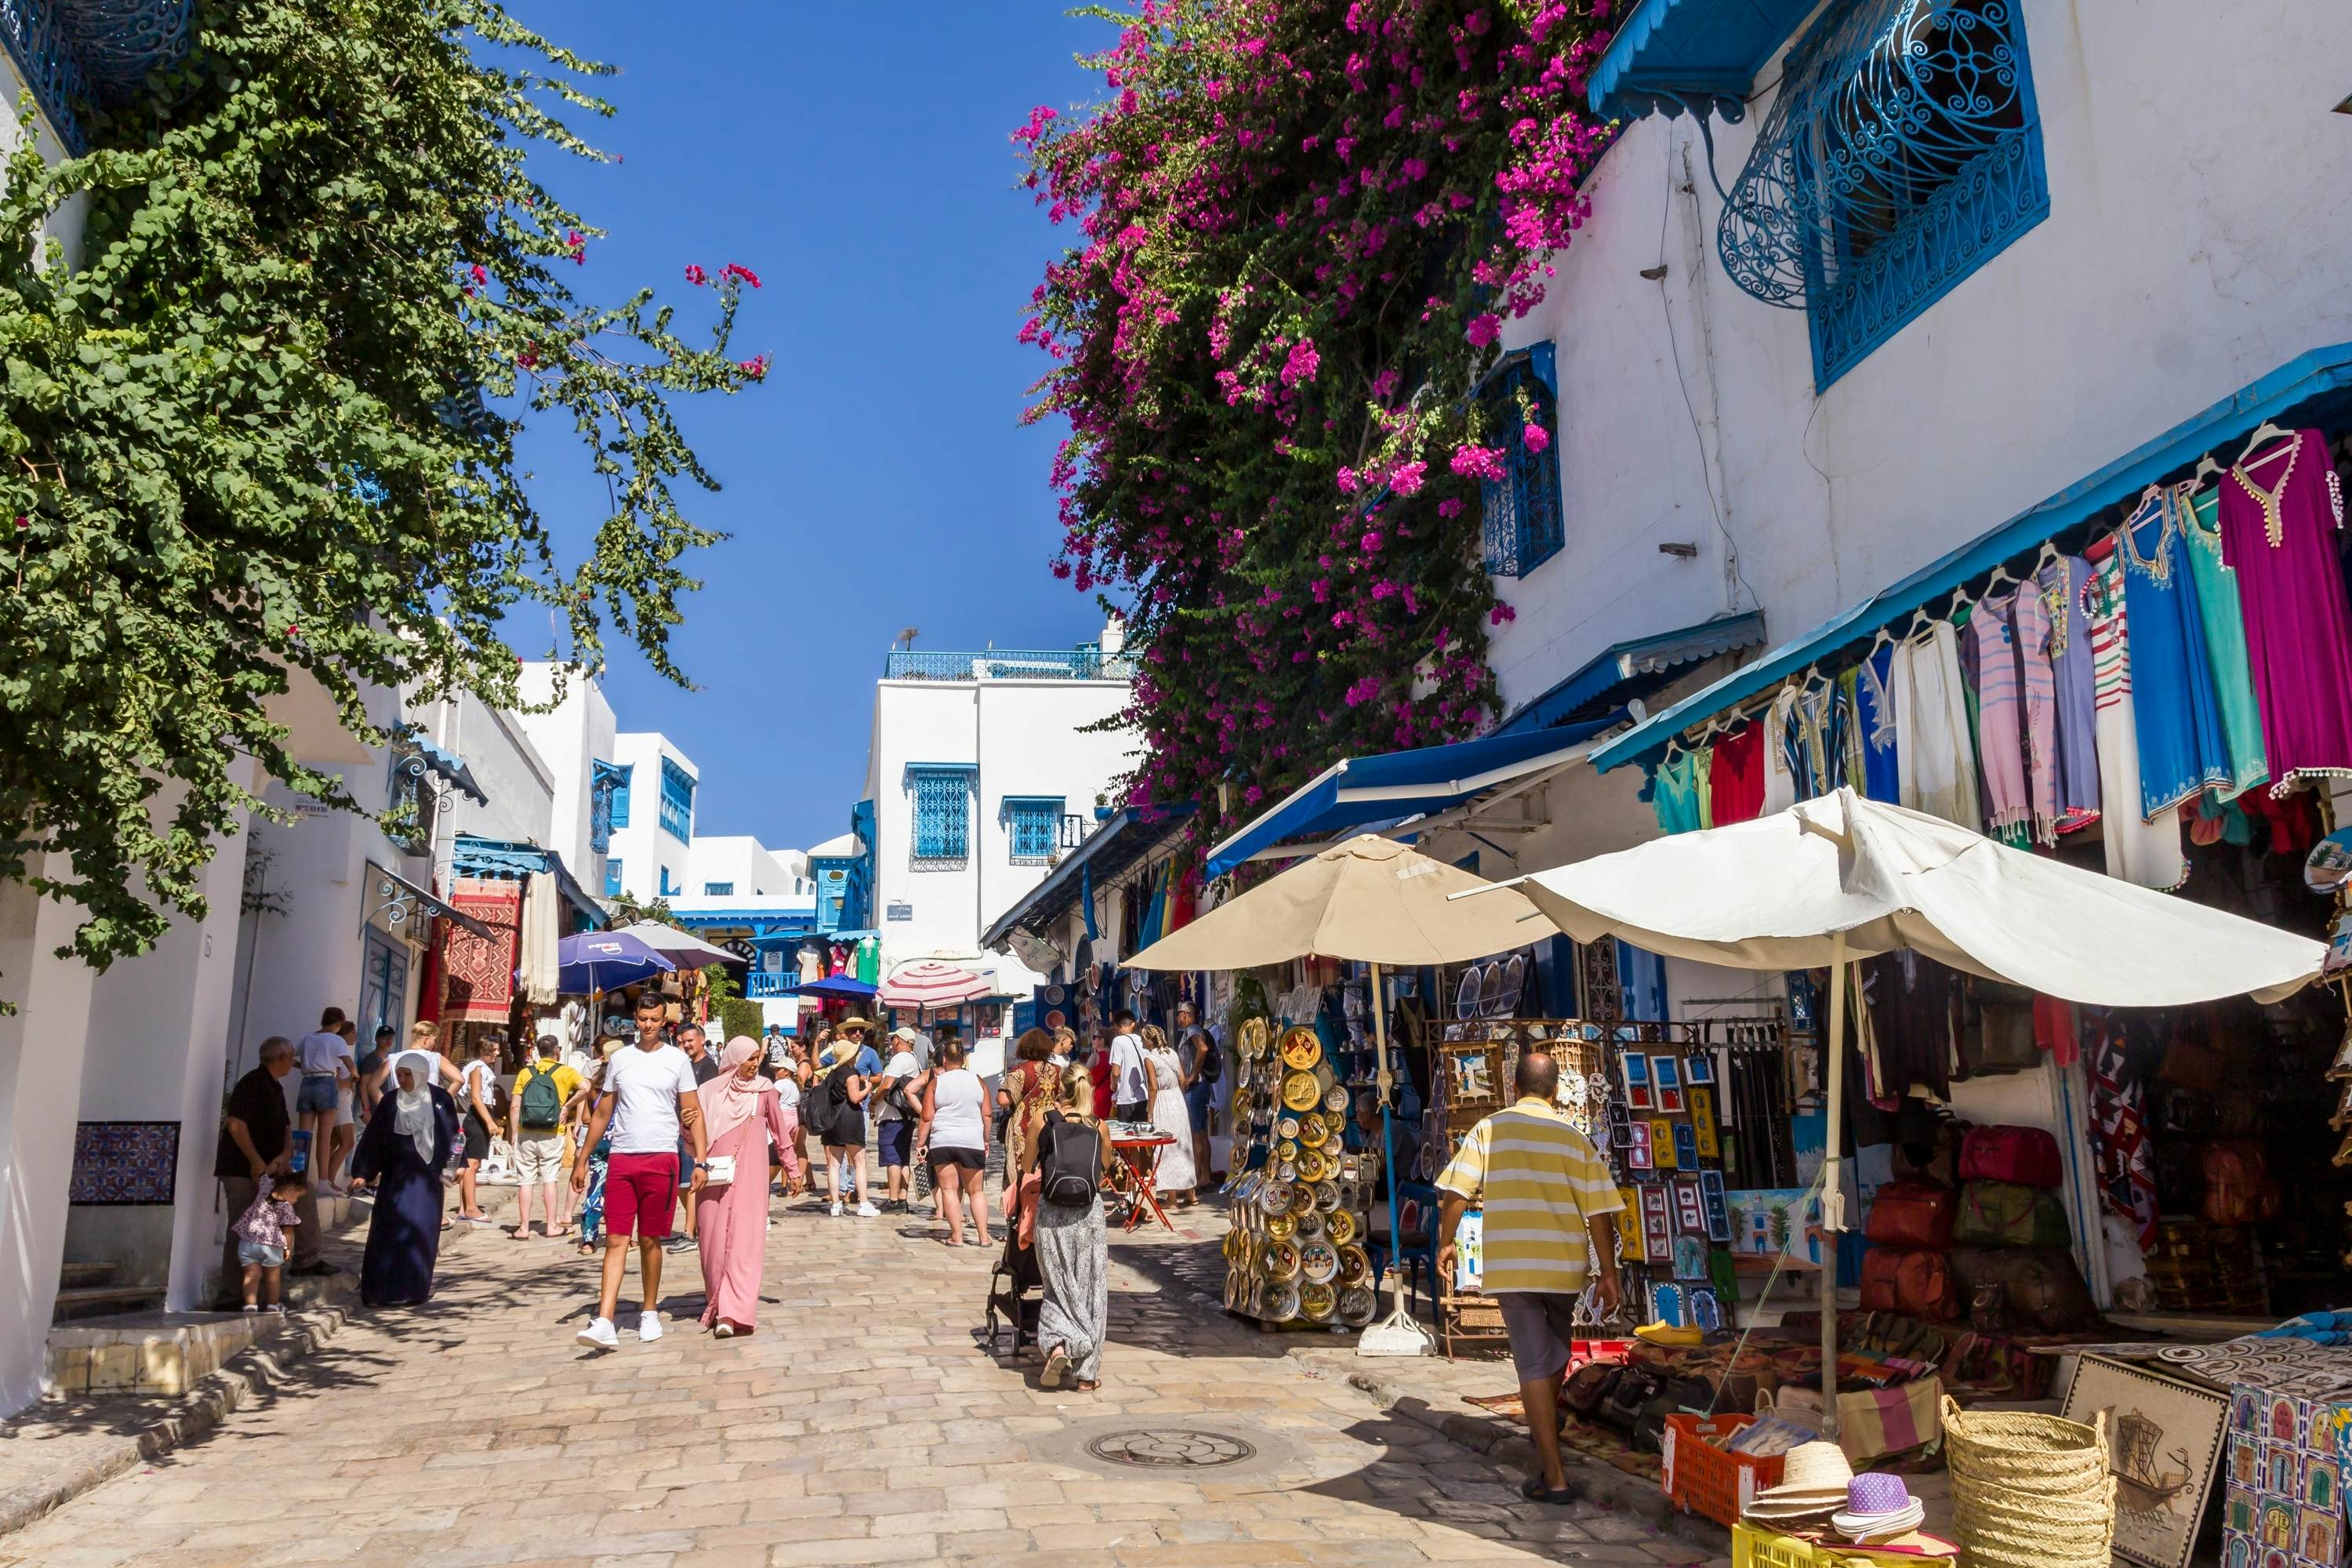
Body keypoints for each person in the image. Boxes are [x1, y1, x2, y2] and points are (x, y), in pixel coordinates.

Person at [1436, 1049, 1625, 1507]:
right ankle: (1545, 1430)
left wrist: (1447, 1241)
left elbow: (1458, 1192)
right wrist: (1608, 1273)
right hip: (1564, 1266)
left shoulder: (1491, 1129)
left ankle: (1554, 1476)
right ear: (1556, 1092)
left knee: (1534, 1364)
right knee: (1555, 1351)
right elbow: (1600, 1212)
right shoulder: (1574, 1139)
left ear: (1514, 1088)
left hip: (1515, 1266)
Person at [572, 996, 707, 1349]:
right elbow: (603, 1113)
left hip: (661, 1158)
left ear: (664, 1022)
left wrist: (701, 1160)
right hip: (622, 1157)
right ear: (636, 1018)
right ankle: (605, 1319)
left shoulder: (677, 1061)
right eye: (643, 1018)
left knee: (649, 1239)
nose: (648, 1025)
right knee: (616, 1239)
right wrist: (582, 1158)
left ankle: (649, 1311)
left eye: (654, 1019)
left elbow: (693, 1111)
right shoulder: (620, 1059)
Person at [694, 1037, 797, 1337]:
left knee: (745, 1242)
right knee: (712, 1243)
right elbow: (692, 1133)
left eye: (756, 1058)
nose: (753, 1065)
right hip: (714, 1176)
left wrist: (792, 1168)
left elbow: (780, 1132)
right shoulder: (709, 1092)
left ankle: (733, 1311)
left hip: (751, 1176)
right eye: (748, 1059)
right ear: (735, 1059)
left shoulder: (765, 1091)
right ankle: (716, 1301)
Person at [215, 1037, 327, 1303]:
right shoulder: (252, 1084)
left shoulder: (275, 1087)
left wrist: (284, 1154)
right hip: (242, 1168)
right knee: (243, 1224)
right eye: (291, 1057)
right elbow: (235, 1124)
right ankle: (232, 1292)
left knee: (305, 1195)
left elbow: (286, 1126)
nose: (293, 1062)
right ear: (282, 1058)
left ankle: (307, 1260)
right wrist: (255, 1160)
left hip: (272, 1168)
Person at [1023, 1064, 1112, 1392]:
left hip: (1052, 1213)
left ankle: (1058, 1345)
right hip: (1089, 1214)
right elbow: (1105, 1167)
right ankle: (1087, 1374)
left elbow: (1027, 1165)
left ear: (1060, 1088)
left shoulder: (1043, 1120)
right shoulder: (1098, 1126)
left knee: (1057, 1287)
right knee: (1092, 1289)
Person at [350, 1055, 459, 1307]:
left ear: (420, 1073)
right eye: (399, 1075)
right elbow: (374, 1139)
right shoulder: (390, 1101)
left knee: (420, 1233)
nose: (402, 1079)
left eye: (408, 1074)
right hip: (395, 1180)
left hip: (427, 1181)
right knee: (386, 1233)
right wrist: (363, 1172)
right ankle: (378, 1292)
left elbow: (453, 1134)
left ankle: (413, 1290)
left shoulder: (440, 1100)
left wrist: (457, 1165)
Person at [509, 1035, 582, 1239]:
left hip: (526, 1131)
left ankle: (523, 1228)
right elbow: (585, 1088)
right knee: (550, 1178)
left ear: (537, 1052)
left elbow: (515, 1105)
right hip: (553, 1132)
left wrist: (514, 1132)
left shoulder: (526, 1072)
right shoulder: (566, 1072)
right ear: (557, 1050)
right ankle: (552, 1226)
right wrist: (567, 1106)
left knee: (525, 1180)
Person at [920, 1038, 991, 1247]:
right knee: (976, 1191)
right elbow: (987, 1114)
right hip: (972, 1140)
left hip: (943, 1140)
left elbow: (927, 1117)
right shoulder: (978, 1081)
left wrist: (921, 1143)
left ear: (944, 1059)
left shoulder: (936, 1083)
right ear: (964, 1059)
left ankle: (957, 1236)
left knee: (949, 1189)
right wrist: (985, 1140)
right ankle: (984, 1237)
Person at [816, 1029, 879, 1218]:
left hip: (834, 1120)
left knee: (834, 1164)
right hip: (850, 1119)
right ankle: (864, 1203)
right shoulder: (851, 1074)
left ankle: (836, 1204)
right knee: (859, 1162)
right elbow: (855, 1097)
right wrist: (868, 1088)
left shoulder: (832, 1074)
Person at [568, 1040, 622, 1256]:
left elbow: (587, 1118)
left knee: (596, 1188)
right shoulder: (625, 1082)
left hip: (598, 1139)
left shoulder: (594, 1084)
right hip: (623, 1140)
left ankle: (589, 1239)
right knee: (621, 1191)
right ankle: (619, 1236)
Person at [292, 1006, 354, 1196]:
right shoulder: (336, 1040)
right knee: (324, 1136)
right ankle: (323, 1181)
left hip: (307, 1082)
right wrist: (355, 1075)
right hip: (326, 1082)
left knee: (303, 1135)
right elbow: (349, 1063)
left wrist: (303, 1066)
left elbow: (289, 1055)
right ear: (338, 1024)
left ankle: (297, 1177)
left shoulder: (307, 1038)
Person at [672, 1025, 720, 1254]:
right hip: (683, 1131)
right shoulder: (687, 1065)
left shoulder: (708, 1067)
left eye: (691, 1040)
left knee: (691, 1183)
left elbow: (710, 1101)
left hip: (695, 1133)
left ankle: (690, 1233)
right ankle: (696, 1226)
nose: (687, 1044)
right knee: (683, 1185)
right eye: (684, 1041)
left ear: (702, 1040)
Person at [996, 1029, 1057, 1213]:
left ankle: (1018, 1211)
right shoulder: (1057, 1071)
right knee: (1046, 1167)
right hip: (1050, 1126)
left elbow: (1003, 1100)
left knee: (1020, 1170)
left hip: (1023, 1128)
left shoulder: (1019, 1072)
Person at [232, 1167, 306, 1314]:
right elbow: (288, 1231)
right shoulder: (286, 1208)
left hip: (249, 1242)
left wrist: (275, 1166)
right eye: (297, 1196)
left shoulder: (264, 1191)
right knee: (273, 1276)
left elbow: (262, 1175)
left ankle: (250, 1307)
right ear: (290, 1190)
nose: (297, 1200)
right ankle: (272, 1306)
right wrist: (287, 1249)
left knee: (251, 1275)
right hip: (272, 1247)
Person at [1141, 1023, 1198, 1206]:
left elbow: (1153, 1087)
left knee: (1165, 1149)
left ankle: (1172, 1198)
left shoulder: (1149, 1058)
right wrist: (1177, 1096)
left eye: (1143, 1038)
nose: (1142, 1042)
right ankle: (1191, 1194)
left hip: (1163, 1102)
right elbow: (1182, 1078)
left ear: (1149, 1040)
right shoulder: (1172, 1053)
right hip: (1177, 1100)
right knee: (1183, 1145)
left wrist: (1150, 1112)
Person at [875, 1026, 927, 1214]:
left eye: (892, 1039)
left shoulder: (900, 1058)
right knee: (903, 1158)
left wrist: (873, 1101)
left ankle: (893, 1199)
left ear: (898, 1039)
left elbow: (887, 1085)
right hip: (906, 1117)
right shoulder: (914, 1059)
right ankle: (902, 1198)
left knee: (892, 1158)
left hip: (894, 1116)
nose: (891, 1043)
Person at [454, 1033, 501, 1225]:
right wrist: (489, 1121)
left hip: (478, 1116)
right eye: (493, 1050)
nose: (497, 1053)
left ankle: (464, 1208)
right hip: (477, 1117)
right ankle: (471, 1208)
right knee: (472, 1164)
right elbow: (476, 1097)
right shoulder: (477, 1068)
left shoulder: (481, 1068)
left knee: (470, 1164)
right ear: (484, 1050)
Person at [1175, 1003, 1221, 1185]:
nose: (1178, 1018)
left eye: (1179, 1014)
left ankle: (1196, 1178)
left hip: (1195, 1088)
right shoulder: (1194, 1030)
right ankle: (1205, 1176)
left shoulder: (1192, 1029)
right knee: (1201, 1132)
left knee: (1195, 1133)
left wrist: (1193, 1075)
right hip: (1201, 1087)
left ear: (1186, 1014)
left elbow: (1202, 1048)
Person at [1108, 1011, 1149, 1123]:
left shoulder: (1118, 1041)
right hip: (1143, 1095)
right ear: (1133, 1024)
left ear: (1116, 1026)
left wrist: (1113, 1086)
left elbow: (1116, 1072)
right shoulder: (1142, 1041)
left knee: (1125, 1131)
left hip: (1125, 1097)